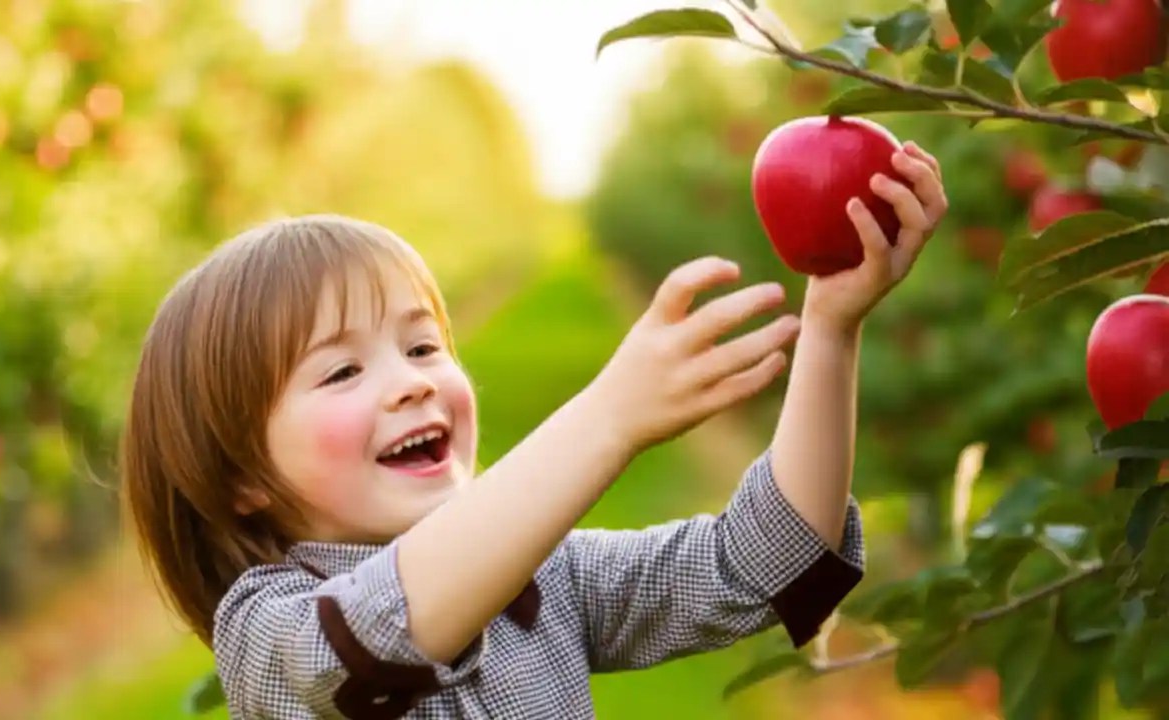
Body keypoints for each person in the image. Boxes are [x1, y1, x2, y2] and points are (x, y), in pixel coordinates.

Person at [121, 142, 948, 719]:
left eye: (421, 346)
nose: (411, 382)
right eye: (342, 371)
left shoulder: (544, 583)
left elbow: (765, 562)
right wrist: (607, 417)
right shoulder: (266, 636)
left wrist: (833, 328)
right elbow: (364, 646)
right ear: (241, 478)